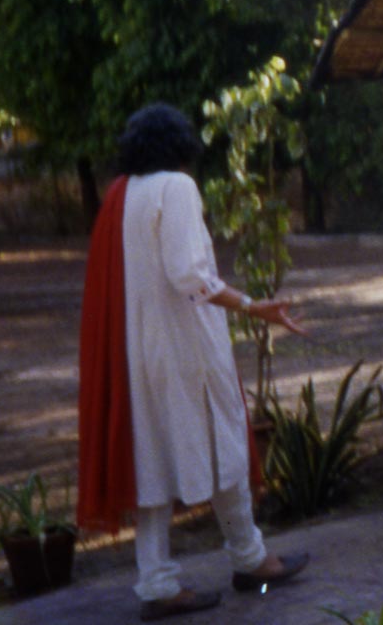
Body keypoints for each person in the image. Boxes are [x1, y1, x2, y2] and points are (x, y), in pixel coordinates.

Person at [77, 103, 310, 621]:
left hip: (141, 350)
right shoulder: (176, 188)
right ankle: (246, 560)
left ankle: (170, 579)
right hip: (185, 346)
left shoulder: (123, 193)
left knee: (153, 458)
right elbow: (188, 274)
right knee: (223, 441)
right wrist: (252, 305)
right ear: (182, 145)